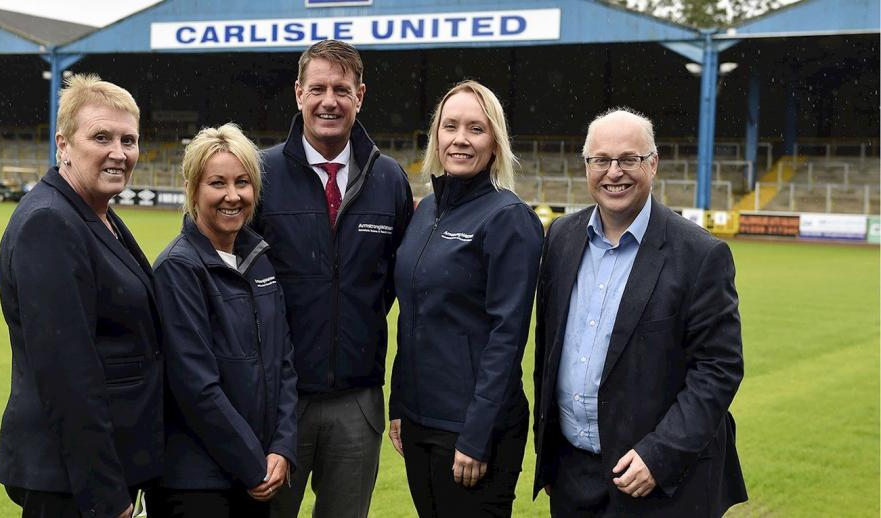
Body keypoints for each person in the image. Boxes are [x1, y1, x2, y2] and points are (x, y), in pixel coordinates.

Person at [532, 107, 747, 517]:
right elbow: (547, 352)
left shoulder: (700, 254)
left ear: (653, 164)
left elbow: (718, 369)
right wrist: (548, 453)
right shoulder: (560, 237)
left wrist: (660, 455)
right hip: (571, 475)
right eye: (601, 160)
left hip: (658, 482)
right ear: (586, 166)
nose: (614, 172)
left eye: (629, 159)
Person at [250, 39, 414, 518]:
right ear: (298, 93)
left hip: (357, 401)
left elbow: (397, 281)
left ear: (359, 96)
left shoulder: (389, 179)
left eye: (341, 90)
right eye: (317, 88)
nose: (329, 101)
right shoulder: (259, 173)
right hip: (277, 399)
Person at [0, 74, 162, 518]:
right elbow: (67, 373)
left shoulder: (94, 214)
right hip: (71, 480)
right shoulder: (49, 223)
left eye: (129, 140)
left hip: (96, 467)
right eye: (101, 137)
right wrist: (105, 495)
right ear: (63, 145)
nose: (119, 152)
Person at [388, 80, 544, 517]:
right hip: (419, 421)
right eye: (450, 126)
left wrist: (477, 435)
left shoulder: (509, 219)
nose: (460, 139)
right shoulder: (426, 211)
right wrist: (399, 402)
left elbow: (507, 337)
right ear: (435, 136)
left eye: (476, 129)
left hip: (472, 431)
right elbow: (412, 316)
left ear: (495, 142)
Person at [149, 123, 298, 517]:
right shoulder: (178, 269)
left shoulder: (259, 259)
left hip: (257, 473)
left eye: (242, 182)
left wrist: (283, 446)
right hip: (197, 484)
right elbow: (196, 388)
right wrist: (253, 465)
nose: (233, 196)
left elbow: (283, 362)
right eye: (218, 183)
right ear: (192, 189)